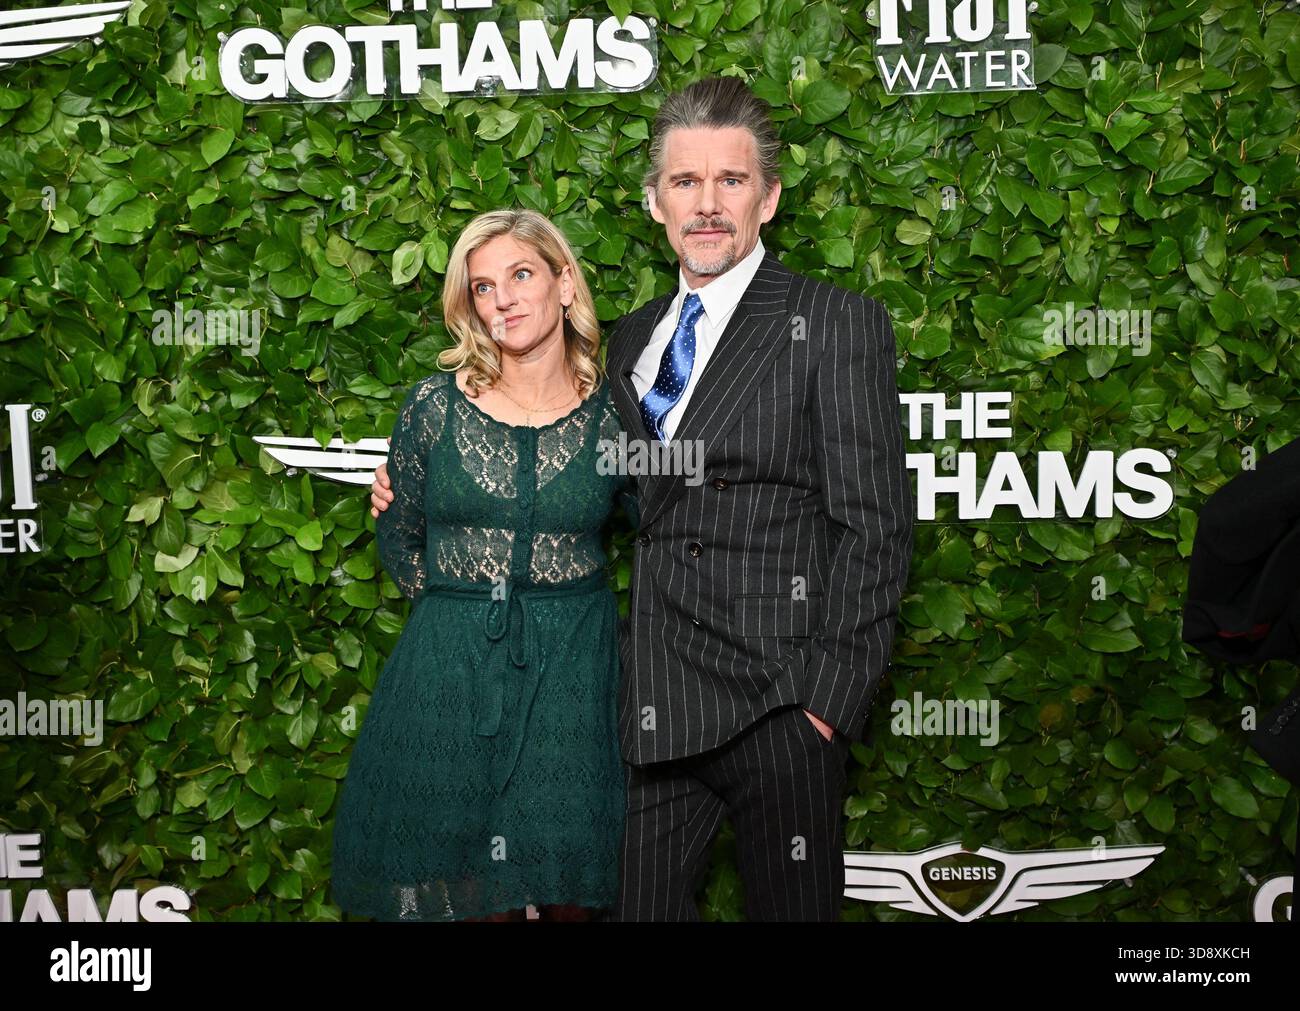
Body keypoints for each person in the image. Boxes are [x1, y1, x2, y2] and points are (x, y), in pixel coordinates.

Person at [372, 77, 914, 921]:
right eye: (684, 182)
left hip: (782, 705)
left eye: (730, 181)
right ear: (654, 201)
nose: (707, 204)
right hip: (655, 711)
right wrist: (429, 485)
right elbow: (599, 486)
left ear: (767, 198)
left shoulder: (834, 322)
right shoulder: (630, 340)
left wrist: (825, 708)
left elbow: (874, 527)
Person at [332, 208, 631, 922]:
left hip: (572, 677)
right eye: (484, 287)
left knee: (568, 890)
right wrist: (453, 616)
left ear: (564, 283)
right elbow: (399, 535)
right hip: (451, 676)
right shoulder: (433, 407)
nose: (504, 300)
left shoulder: (618, 413)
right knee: (468, 894)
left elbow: (659, 522)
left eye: (522, 275)